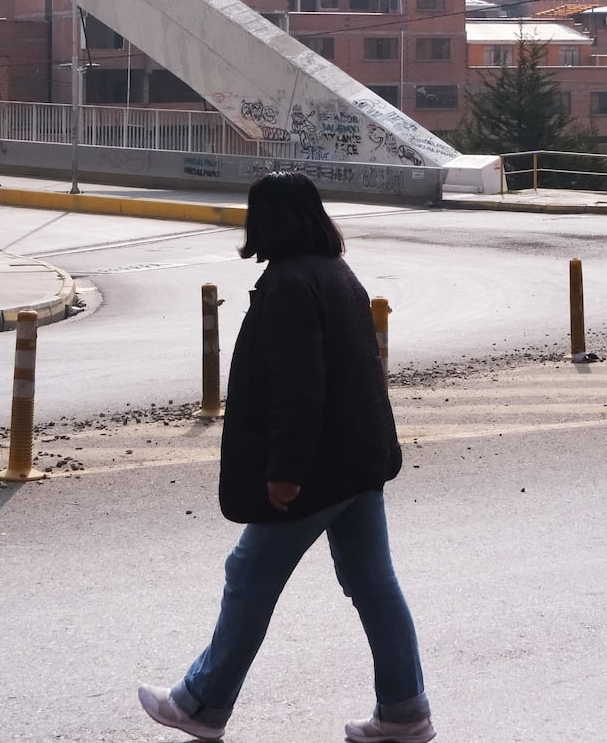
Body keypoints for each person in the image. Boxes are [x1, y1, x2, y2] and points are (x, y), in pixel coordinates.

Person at [139, 172, 433, 742]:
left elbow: (300, 390)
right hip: (358, 461)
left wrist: (284, 474)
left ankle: (202, 701)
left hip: (320, 469)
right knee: (374, 583)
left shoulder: (291, 285)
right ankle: (405, 711)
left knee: (248, 572)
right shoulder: (334, 273)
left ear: (267, 222)